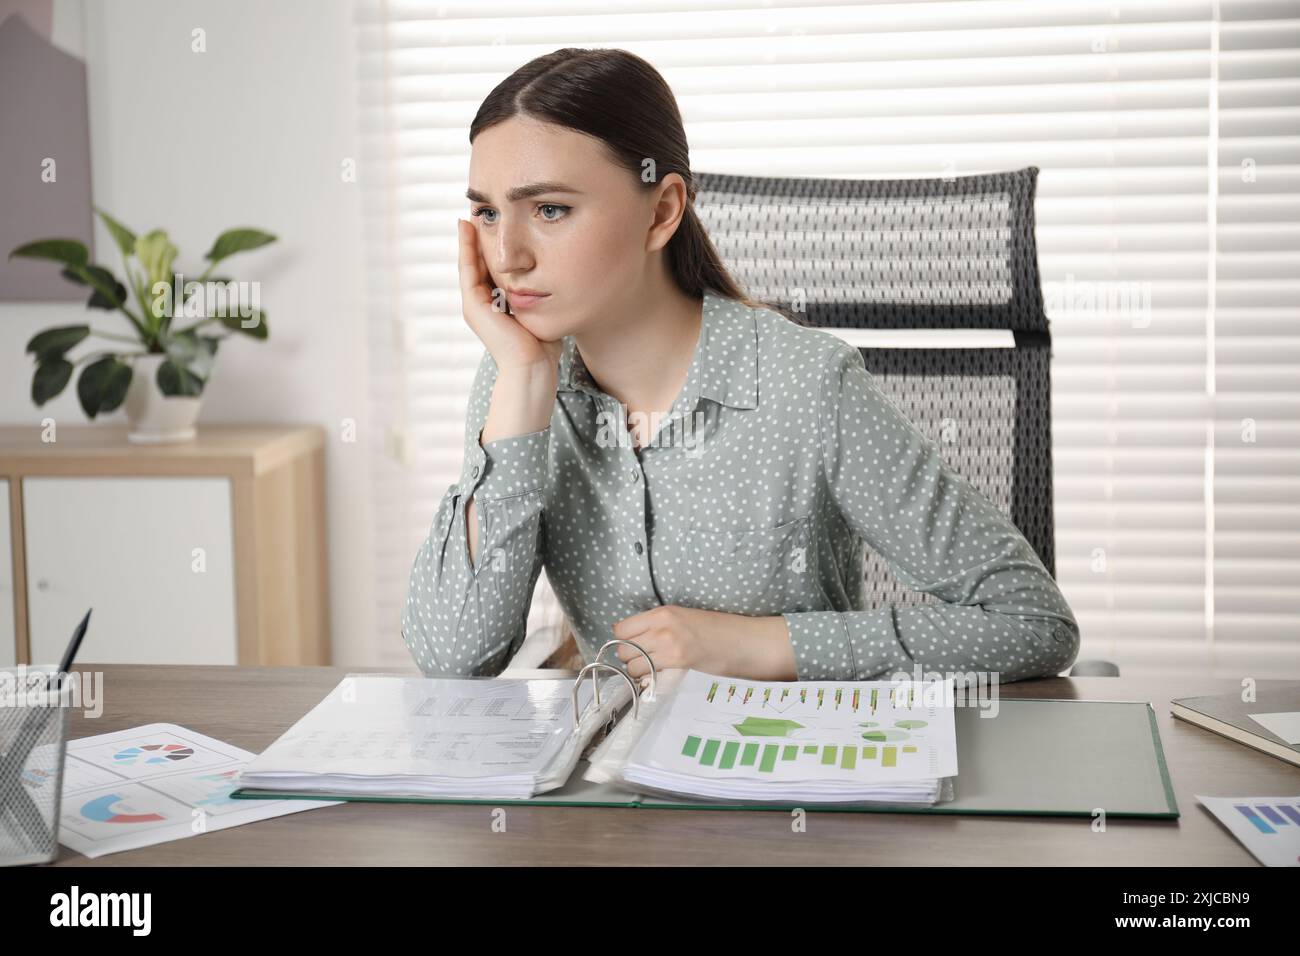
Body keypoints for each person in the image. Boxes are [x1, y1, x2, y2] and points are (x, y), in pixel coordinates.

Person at [400, 47, 1080, 686]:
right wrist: (520, 382)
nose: (507, 254)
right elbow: (455, 659)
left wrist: (766, 645)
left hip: (803, 782)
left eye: (549, 209)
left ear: (661, 211)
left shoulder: (807, 384)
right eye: (486, 213)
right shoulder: (516, 379)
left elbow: (1033, 623)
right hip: (618, 794)